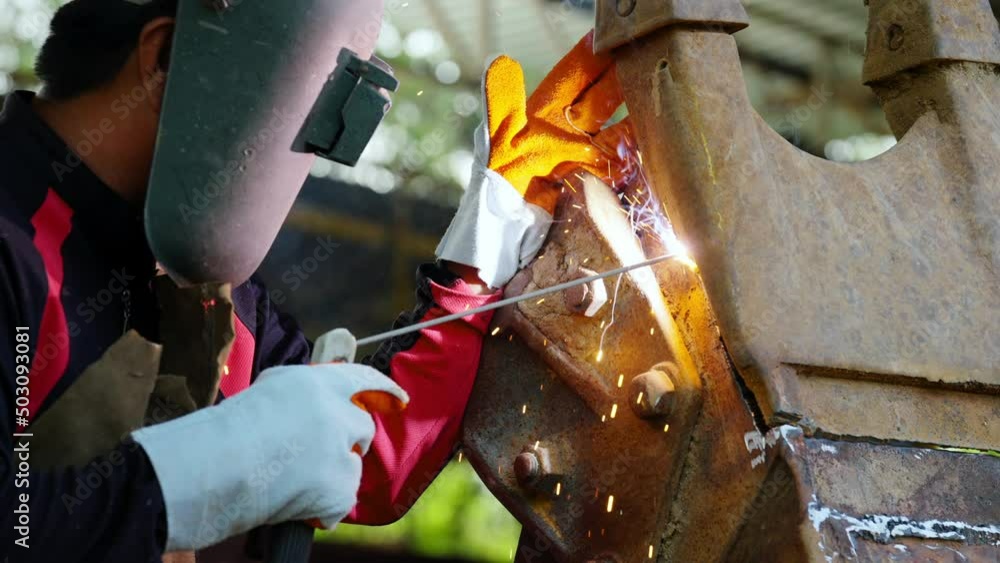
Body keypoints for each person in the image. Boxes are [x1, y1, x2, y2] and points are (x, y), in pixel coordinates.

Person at [0, 0, 627, 561]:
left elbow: (370, 455)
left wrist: (482, 259)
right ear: (166, 57)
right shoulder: (15, 252)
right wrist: (201, 471)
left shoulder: (200, 285)